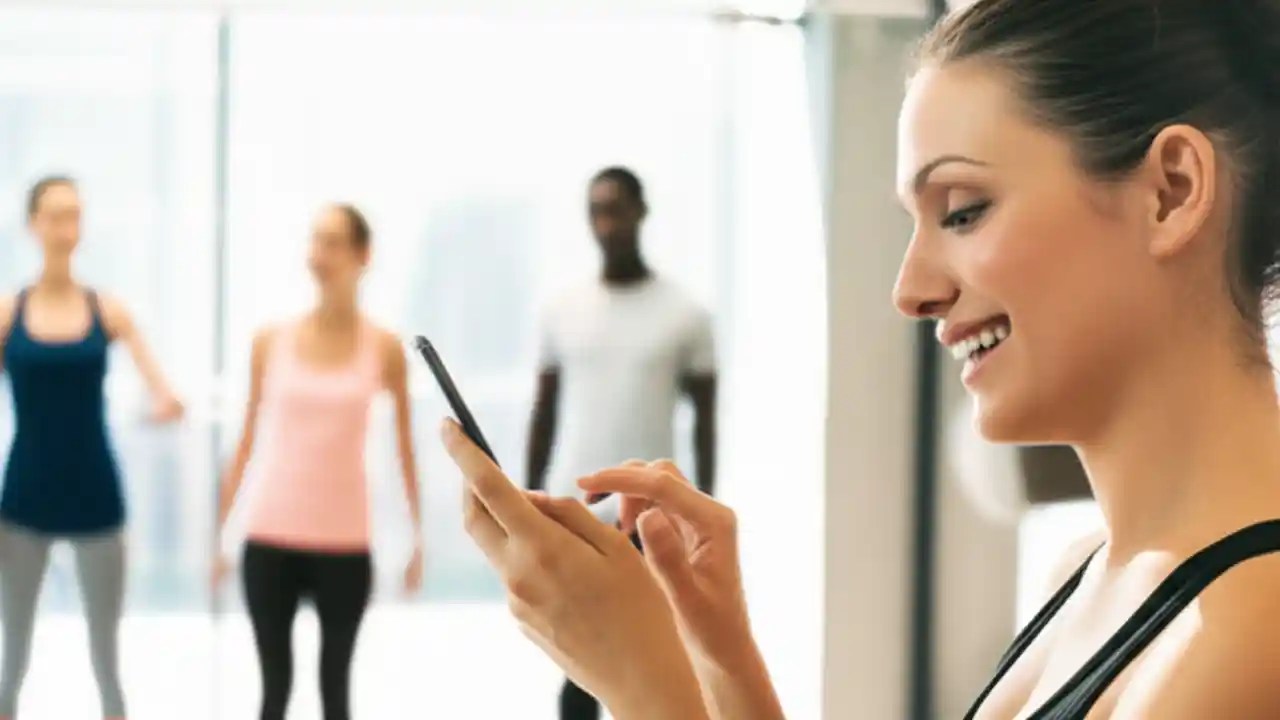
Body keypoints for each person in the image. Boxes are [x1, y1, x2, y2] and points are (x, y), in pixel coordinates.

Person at [441, 1, 1280, 718]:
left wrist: (644, 682)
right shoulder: (1094, 574)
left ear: (1170, 190)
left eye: (962, 210)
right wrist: (719, 653)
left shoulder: (1249, 628)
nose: (910, 290)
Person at [212, 204, 424, 720]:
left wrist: (418, 539)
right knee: (274, 693)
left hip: (346, 543)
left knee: (335, 694)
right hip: (269, 537)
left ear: (362, 255)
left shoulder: (385, 347)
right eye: (314, 241)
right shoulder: (270, 340)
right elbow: (245, 442)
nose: (318, 254)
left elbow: (404, 449)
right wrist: (218, 535)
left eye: (332, 242)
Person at [526, 166, 717, 720]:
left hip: (651, 521)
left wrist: (700, 512)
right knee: (580, 670)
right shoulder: (563, 310)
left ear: (641, 211)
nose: (606, 221)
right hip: (576, 516)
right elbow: (544, 414)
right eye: (597, 209)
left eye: (616, 207)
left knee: (653, 668)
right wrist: (524, 502)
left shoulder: (685, 315)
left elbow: (706, 424)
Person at [0, 175, 185, 720]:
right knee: (12, 660)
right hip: (24, 498)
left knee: (107, 664)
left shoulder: (109, 312)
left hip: (96, 495)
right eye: (55, 215)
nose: (65, 227)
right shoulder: (9, 315)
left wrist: (151, 414)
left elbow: (167, 398)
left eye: (75, 215)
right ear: (32, 224)